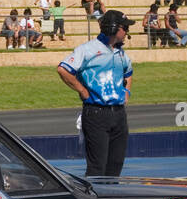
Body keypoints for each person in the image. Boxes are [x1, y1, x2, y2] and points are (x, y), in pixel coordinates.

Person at [58, 10, 135, 177]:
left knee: (115, 166)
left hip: (119, 114)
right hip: (96, 113)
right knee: (97, 167)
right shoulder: (87, 50)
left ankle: (110, 198)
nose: (127, 32)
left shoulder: (121, 53)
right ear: (113, 28)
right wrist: (83, 91)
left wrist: (126, 92)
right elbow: (63, 69)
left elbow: (128, 73)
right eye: (125, 28)